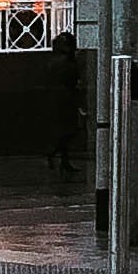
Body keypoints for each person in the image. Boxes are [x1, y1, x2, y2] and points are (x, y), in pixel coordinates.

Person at [46, 28, 84, 183]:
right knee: (71, 129)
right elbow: (74, 80)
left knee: (65, 129)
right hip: (67, 98)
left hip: (56, 98)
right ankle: (55, 153)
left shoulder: (54, 60)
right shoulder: (69, 61)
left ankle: (61, 158)